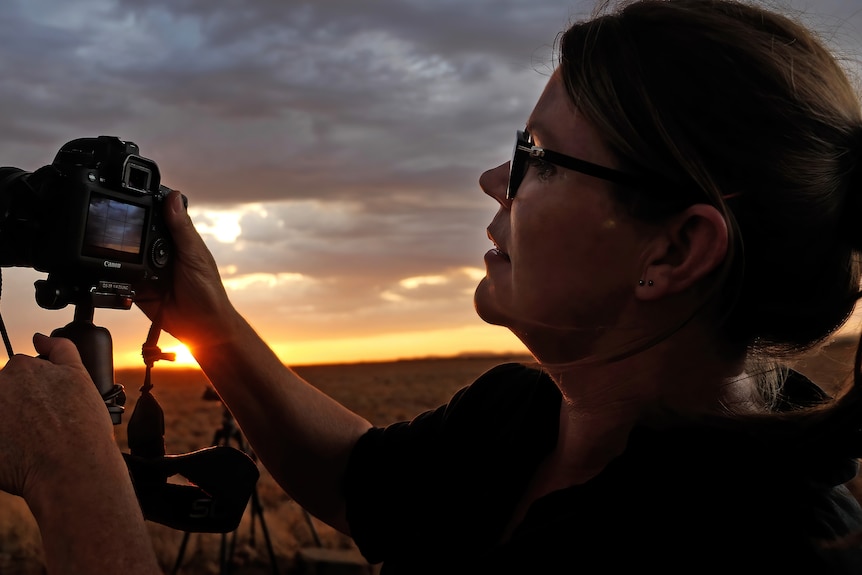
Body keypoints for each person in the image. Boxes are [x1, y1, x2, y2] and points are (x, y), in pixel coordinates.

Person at [3, 0, 862, 572]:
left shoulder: (744, 545)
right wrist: (205, 316)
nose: (496, 178)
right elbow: (356, 479)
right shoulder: (523, 420)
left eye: (535, 157)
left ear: (674, 250)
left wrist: (68, 470)